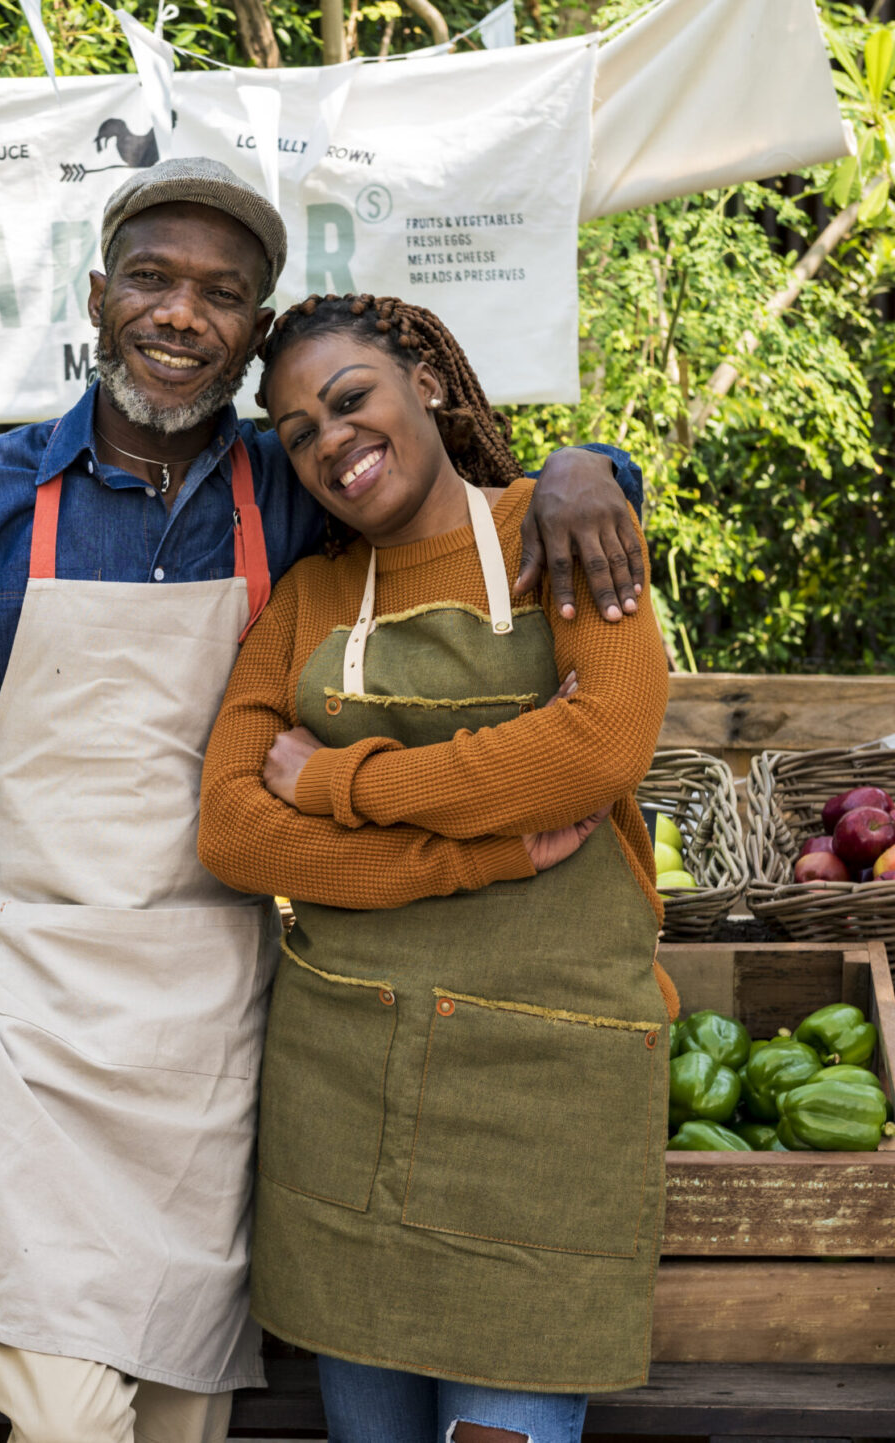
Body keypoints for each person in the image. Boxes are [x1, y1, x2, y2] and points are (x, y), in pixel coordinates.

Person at [0, 159, 647, 1443]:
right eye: (151, 279)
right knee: (71, 1422)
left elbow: (436, 484)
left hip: (213, 1034)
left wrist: (589, 466)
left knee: (180, 1420)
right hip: (23, 1024)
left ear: (253, 331)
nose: (179, 314)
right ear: (99, 297)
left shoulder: (292, 485)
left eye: (222, 294)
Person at [197, 292, 677, 1443]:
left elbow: (597, 746)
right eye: (299, 432)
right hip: (347, 1079)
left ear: (429, 380)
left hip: (542, 1092)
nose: (330, 443)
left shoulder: (563, 532)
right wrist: (472, 854)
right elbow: (229, 828)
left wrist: (333, 787)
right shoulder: (309, 597)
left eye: (350, 400)